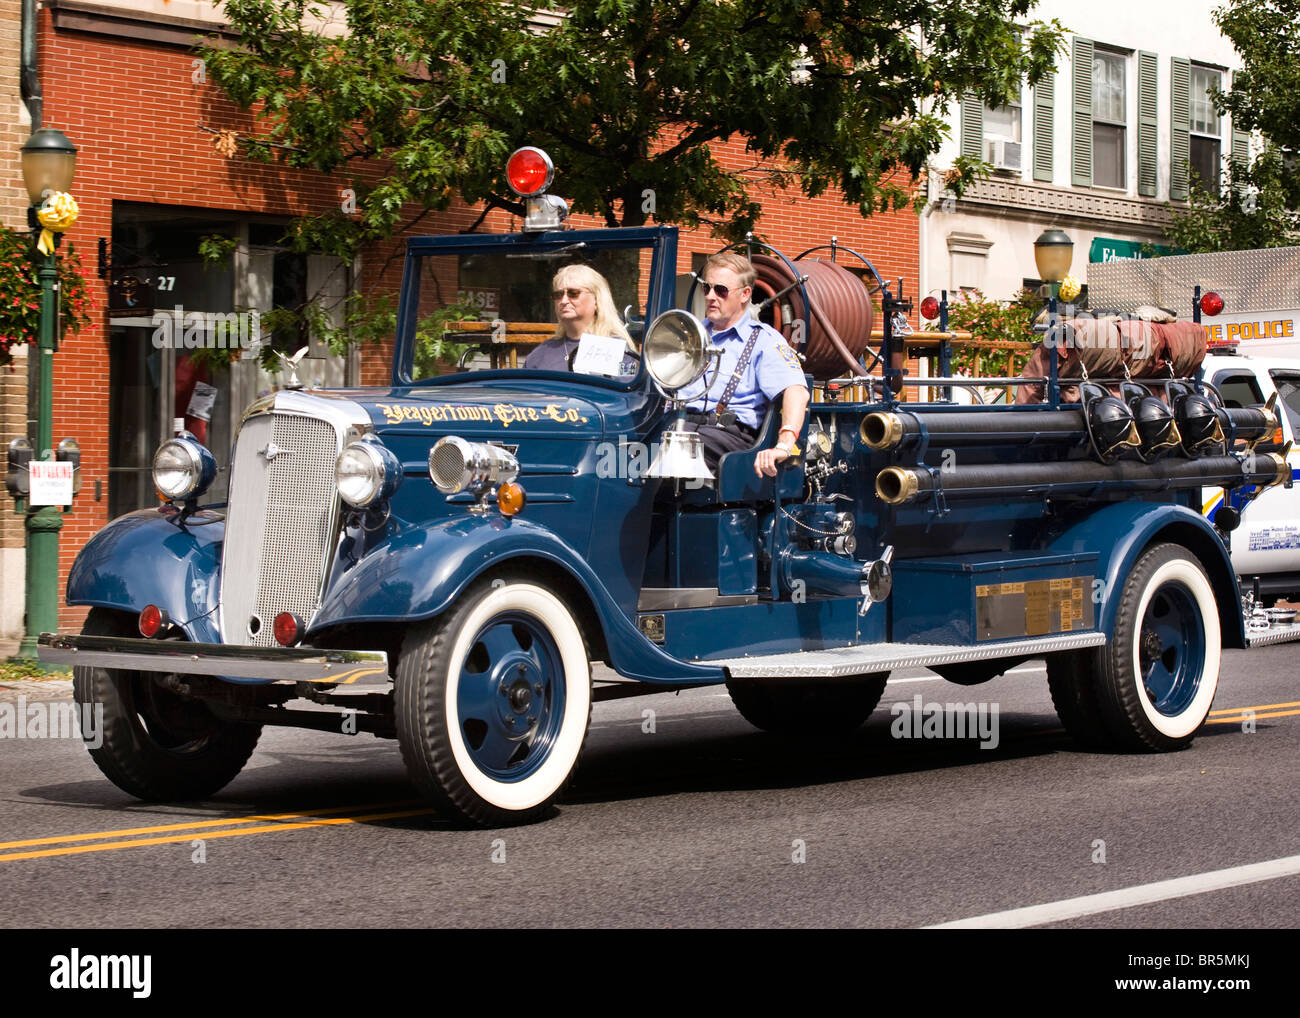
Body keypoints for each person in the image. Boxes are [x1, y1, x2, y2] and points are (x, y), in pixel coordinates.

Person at [678, 252, 809, 477]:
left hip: (727, 436)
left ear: (745, 294)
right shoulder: (688, 335)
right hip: (678, 425)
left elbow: (796, 391)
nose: (710, 296)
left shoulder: (764, 341)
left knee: (664, 445)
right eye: (705, 288)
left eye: (720, 290)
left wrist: (784, 445)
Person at [524, 264, 638, 376]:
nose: (563, 301)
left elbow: (629, 386)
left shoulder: (615, 349)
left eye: (573, 293)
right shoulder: (541, 353)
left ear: (597, 300)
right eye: (558, 295)